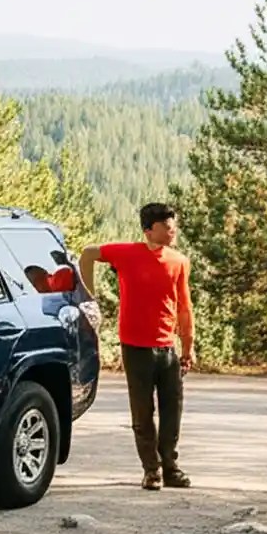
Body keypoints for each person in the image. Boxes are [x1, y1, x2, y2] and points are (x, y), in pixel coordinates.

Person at [79, 203, 195, 491]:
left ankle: (170, 468)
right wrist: (88, 298)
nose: (173, 231)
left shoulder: (179, 261)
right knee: (142, 413)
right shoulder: (126, 253)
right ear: (148, 230)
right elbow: (87, 254)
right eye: (167, 227)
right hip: (135, 347)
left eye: (173, 226)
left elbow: (184, 307)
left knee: (172, 411)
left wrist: (188, 346)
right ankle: (151, 470)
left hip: (167, 347)